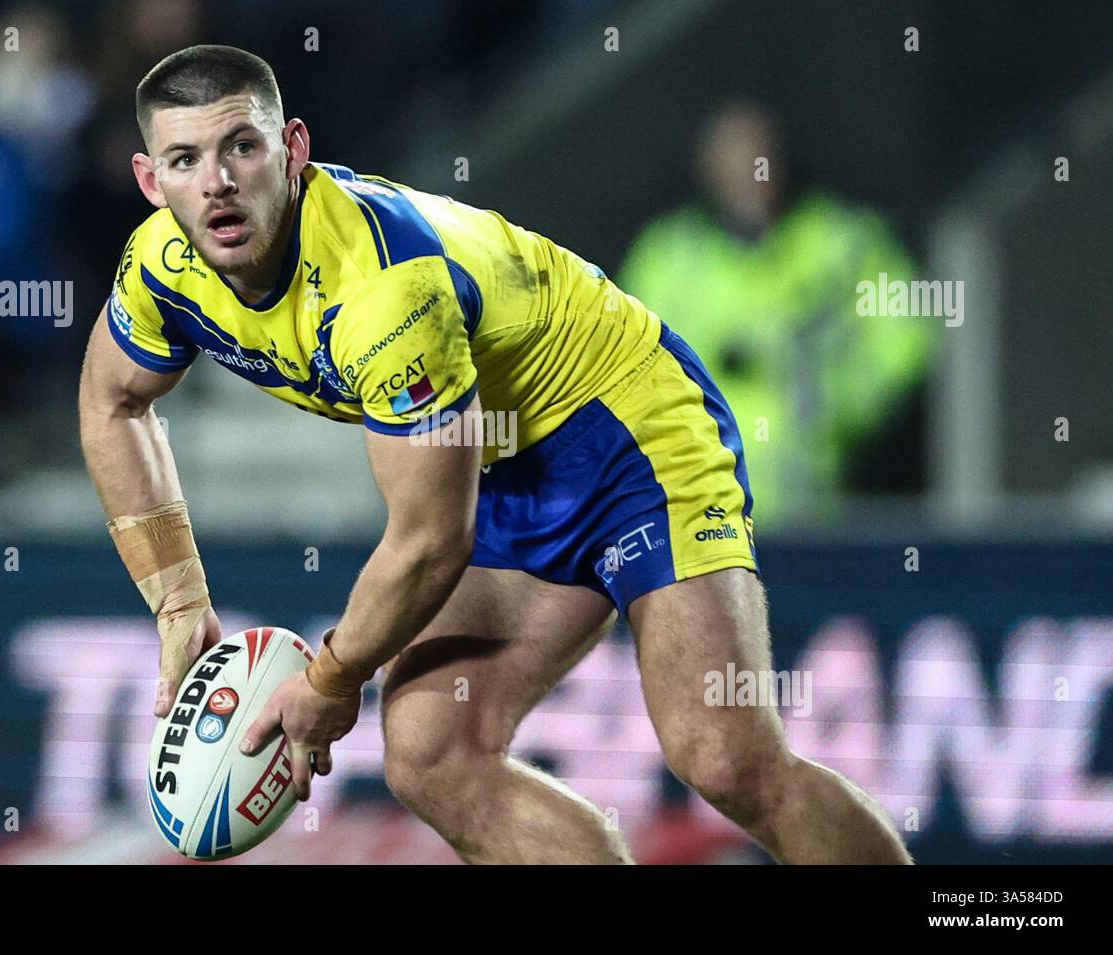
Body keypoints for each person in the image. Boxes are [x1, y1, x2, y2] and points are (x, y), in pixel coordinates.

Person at [78, 45, 912, 864]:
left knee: (723, 756)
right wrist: (179, 599)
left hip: (631, 428)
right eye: (185, 160)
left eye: (242, 148)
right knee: (431, 752)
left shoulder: (384, 291)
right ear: (152, 182)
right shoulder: (161, 266)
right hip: (508, 458)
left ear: (293, 151)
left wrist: (332, 679)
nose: (218, 182)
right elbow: (110, 400)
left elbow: (431, 539)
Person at [618, 103, 931, 521]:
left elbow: (906, 338)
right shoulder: (670, 256)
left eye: (759, 157)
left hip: (812, 507)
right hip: (696, 512)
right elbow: (623, 361)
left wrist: (836, 401)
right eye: (733, 158)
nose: (750, 172)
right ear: (707, 168)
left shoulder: (840, 243)